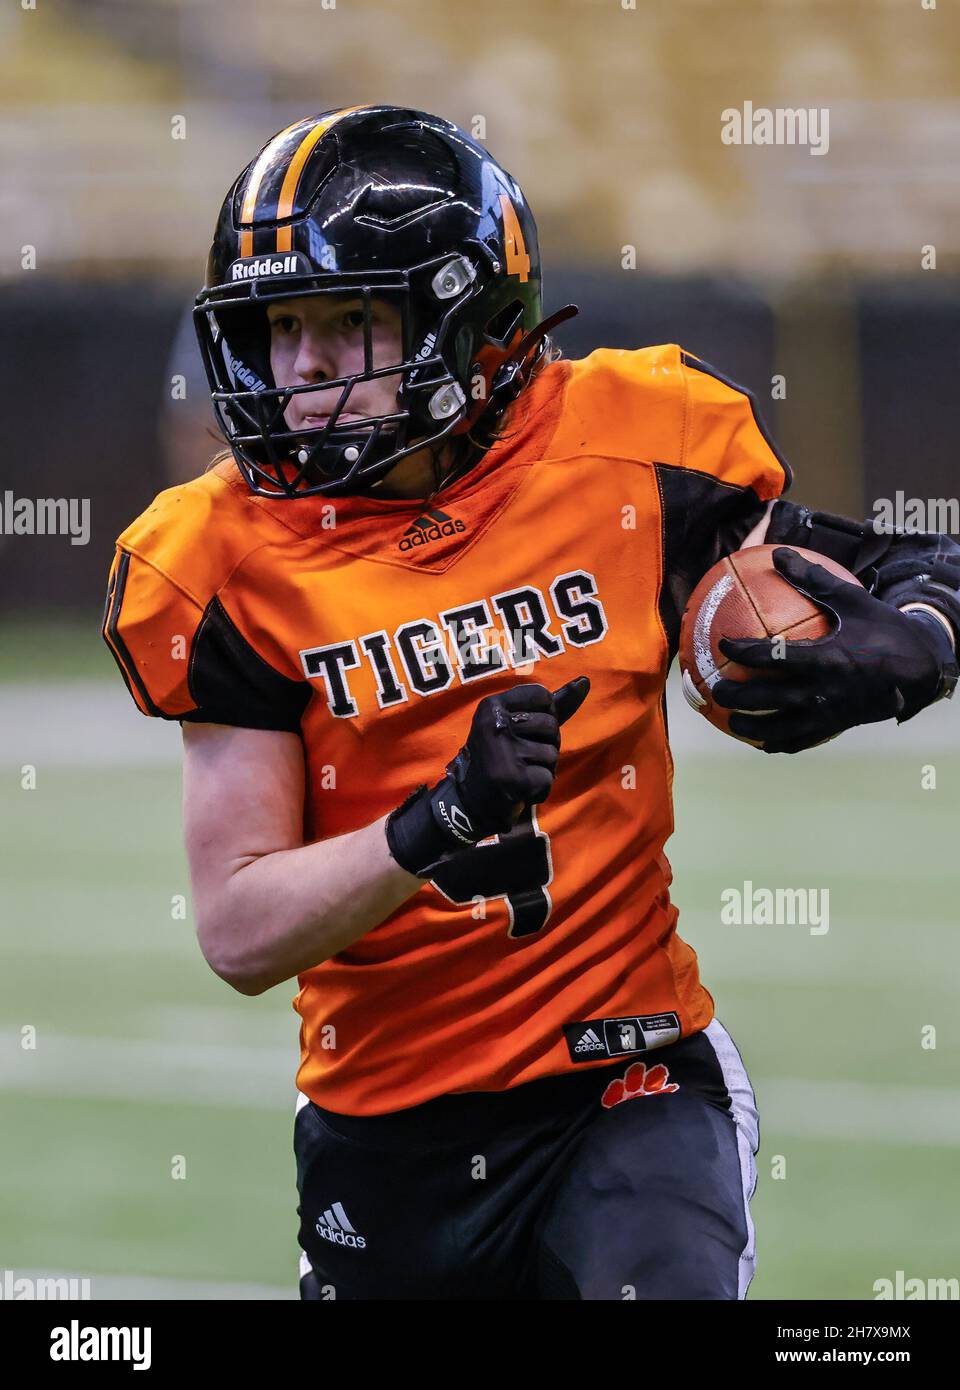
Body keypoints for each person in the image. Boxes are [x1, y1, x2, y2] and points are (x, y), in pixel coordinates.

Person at [102, 105, 960, 1300]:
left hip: (625, 1082)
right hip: (383, 1126)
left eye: (348, 324)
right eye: (280, 327)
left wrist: (923, 632)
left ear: (470, 321)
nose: (299, 369)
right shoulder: (220, 560)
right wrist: (435, 824)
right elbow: (240, 929)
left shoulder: (628, 449)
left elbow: (875, 569)